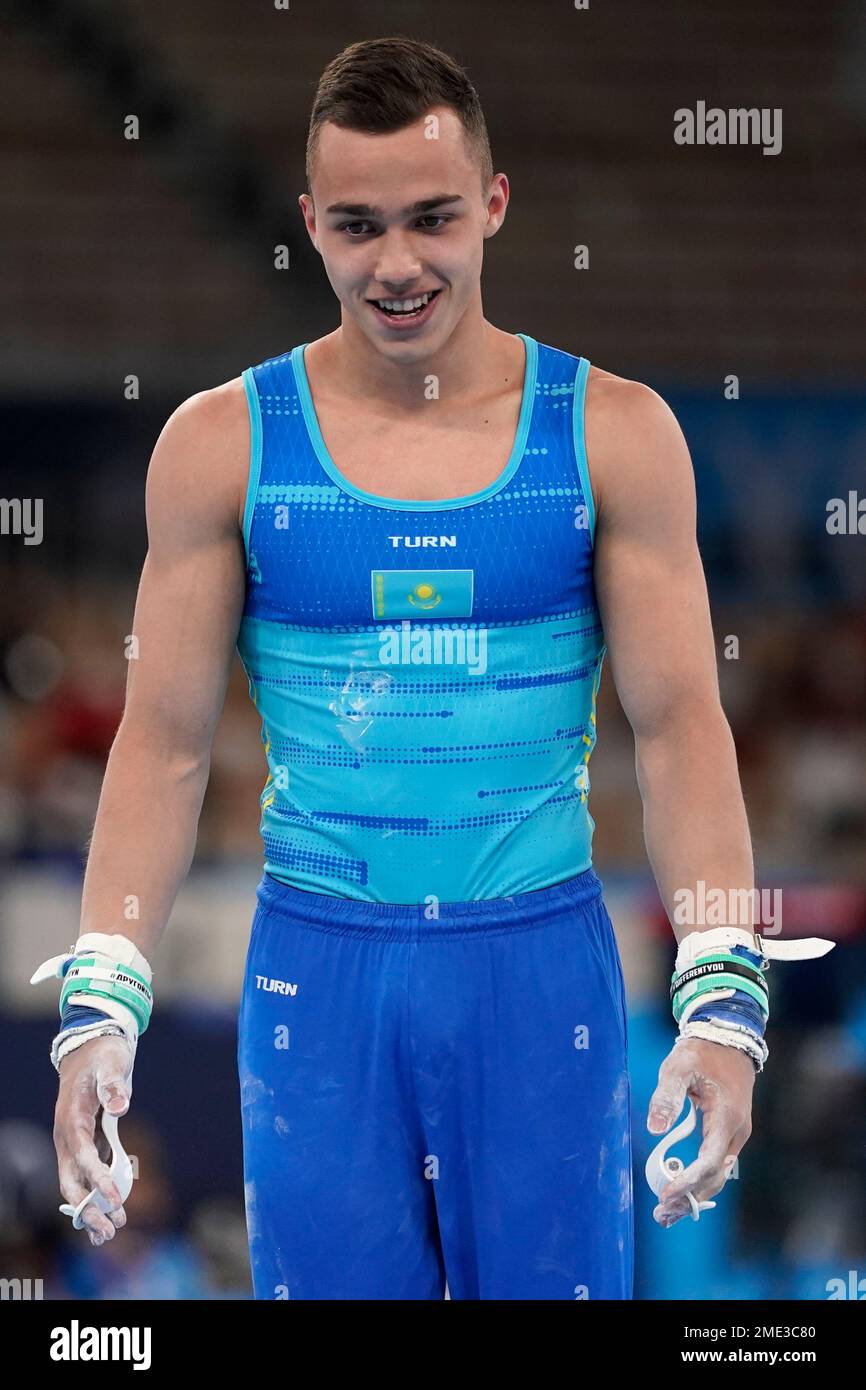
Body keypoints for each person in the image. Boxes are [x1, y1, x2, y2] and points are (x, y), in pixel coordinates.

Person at [42, 36, 774, 1300]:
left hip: (536, 965)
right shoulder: (221, 448)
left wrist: (720, 991)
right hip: (315, 974)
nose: (396, 264)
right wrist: (102, 999)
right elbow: (158, 748)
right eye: (358, 224)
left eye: (432, 217)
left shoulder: (612, 436)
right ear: (309, 225)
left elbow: (678, 732)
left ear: (492, 206)